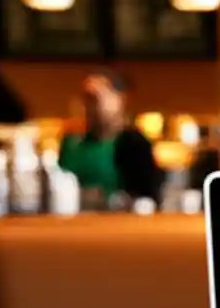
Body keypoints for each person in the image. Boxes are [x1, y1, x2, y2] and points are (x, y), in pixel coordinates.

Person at [58, 70, 163, 207]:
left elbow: (147, 196)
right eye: (87, 98)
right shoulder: (71, 143)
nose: (92, 106)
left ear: (120, 98)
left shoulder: (134, 144)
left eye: (98, 97)